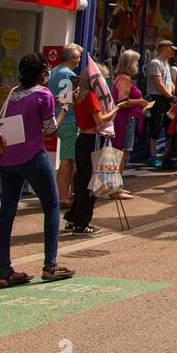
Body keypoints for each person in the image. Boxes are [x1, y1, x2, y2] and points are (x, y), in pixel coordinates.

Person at [0, 52, 76, 288]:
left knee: (7, 212)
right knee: (51, 206)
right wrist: (65, 108)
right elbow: (50, 129)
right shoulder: (43, 94)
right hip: (32, 156)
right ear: (42, 72)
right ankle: (50, 265)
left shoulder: (13, 94)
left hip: (8, 159)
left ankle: (5, 270)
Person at [63, 66, 124, 236]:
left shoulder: (78, 96)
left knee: (81, 180)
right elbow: (100, 119)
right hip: (91, 140)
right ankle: (82, 223)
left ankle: (73, 218)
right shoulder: (90, 96)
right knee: (91, 184)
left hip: (82, 139)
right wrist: (115, 109)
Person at [46, 44, 80, 205]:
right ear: (73, 58)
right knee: (68, 160)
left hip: (55, 119)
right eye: (78, 56)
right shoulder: (69, 75)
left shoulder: (53, 72)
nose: (80, 59)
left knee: (67, 159)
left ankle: (63, 194)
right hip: (68, 120)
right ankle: (63, 196)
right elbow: (70, 99)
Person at [108, 49, 144, 199]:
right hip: (125, 120)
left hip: (127, 119)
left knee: (122, 153)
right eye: (136, 62)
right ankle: (115, 189)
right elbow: (121, 102)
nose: (137, 65)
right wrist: (141, 102)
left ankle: (118, 186)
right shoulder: (124, 79)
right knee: (121, 154)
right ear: (130, 64)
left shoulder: (122, 78)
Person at [144, 39, 177, 168]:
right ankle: (153, 155)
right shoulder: (155, 62)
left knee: (169, 125)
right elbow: (158, 83)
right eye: (171, 49)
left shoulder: (166, 63)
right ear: (164, 48)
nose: (172, 52)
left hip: (168, 98)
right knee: (156, 126)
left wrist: (175, 93)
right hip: (158, 98)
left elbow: (168, 81)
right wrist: (170, 96)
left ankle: (168, 153)